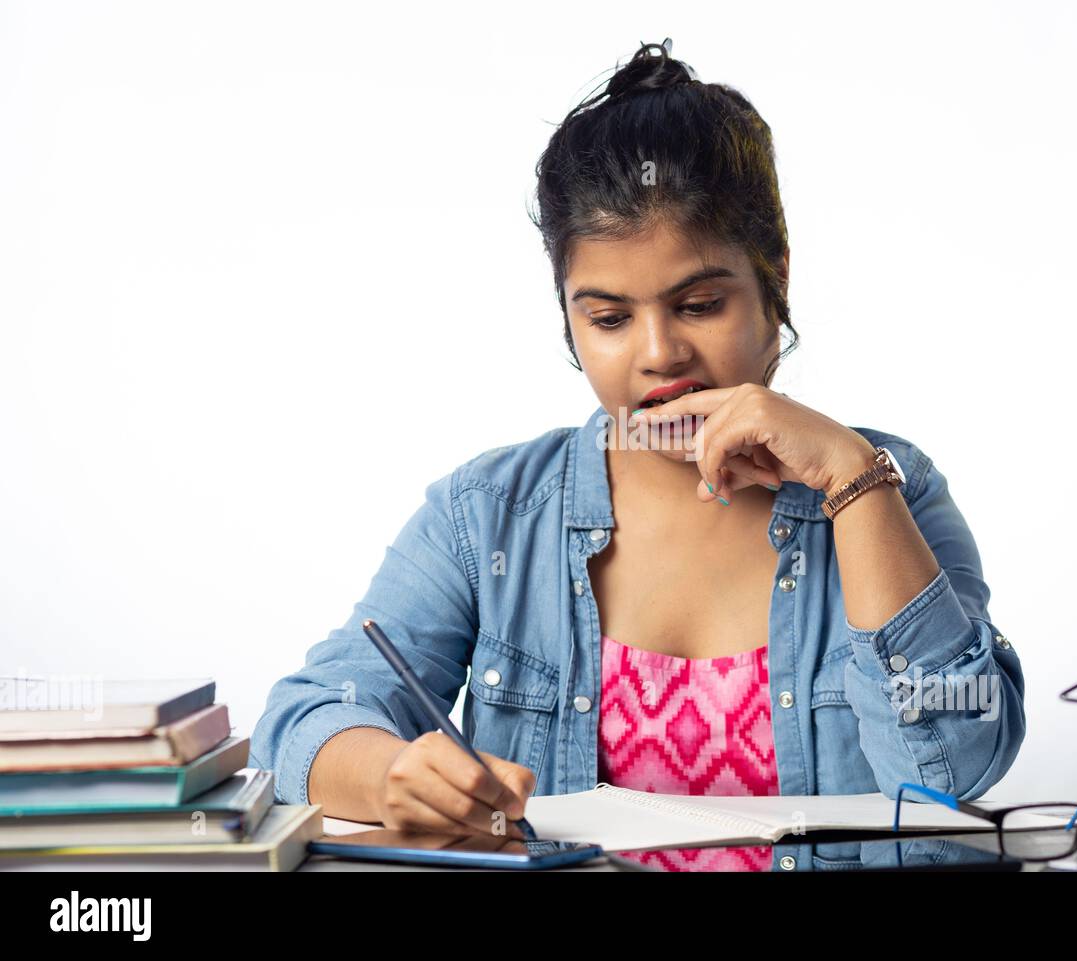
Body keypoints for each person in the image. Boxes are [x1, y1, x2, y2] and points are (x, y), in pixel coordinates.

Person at [249, 39, 1026, 870]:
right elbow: (304, 722)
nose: (658, 353)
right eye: (609, 318)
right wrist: (391, 773)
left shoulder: (885, 487)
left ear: (775, 284)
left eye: (699, 303)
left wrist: (850, 478)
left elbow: (951, 770)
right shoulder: (488, 514)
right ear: (567, 317)